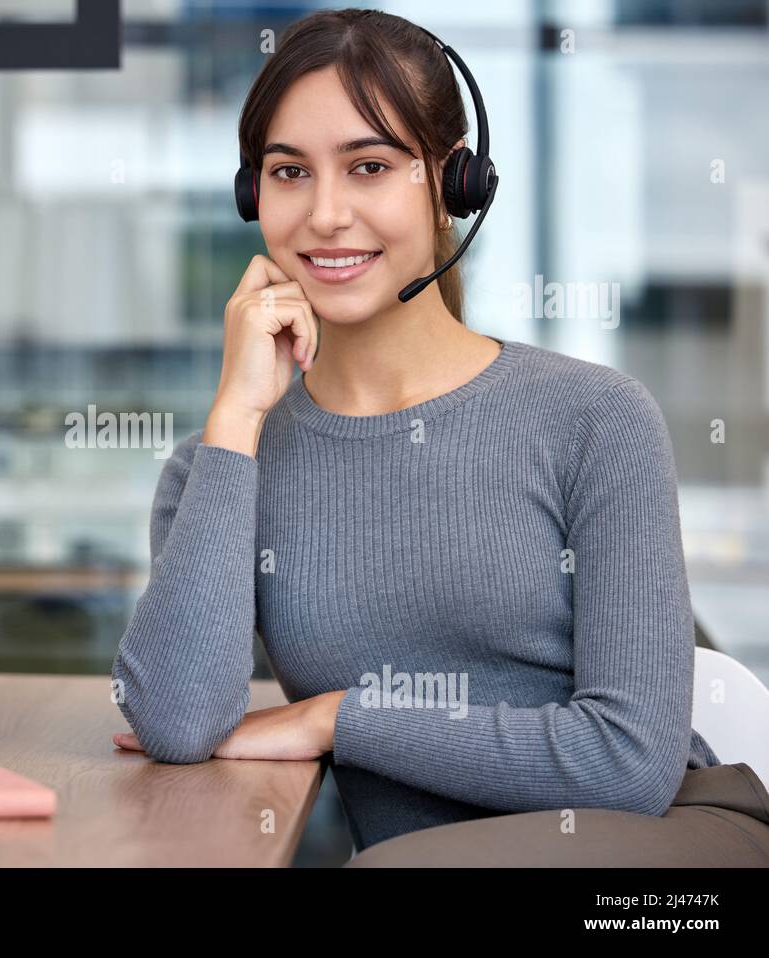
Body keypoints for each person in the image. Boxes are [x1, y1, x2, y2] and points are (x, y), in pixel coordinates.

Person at [109, 7, 769, 866]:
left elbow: (629, 763)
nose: (326, 215)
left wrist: (338, 718)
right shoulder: (218, 467)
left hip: (662, 857)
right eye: (289, 172)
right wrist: (235, 421)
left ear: (454, 184)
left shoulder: (596, 419)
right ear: (253, 197)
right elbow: (180, 726)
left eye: (370, 166)